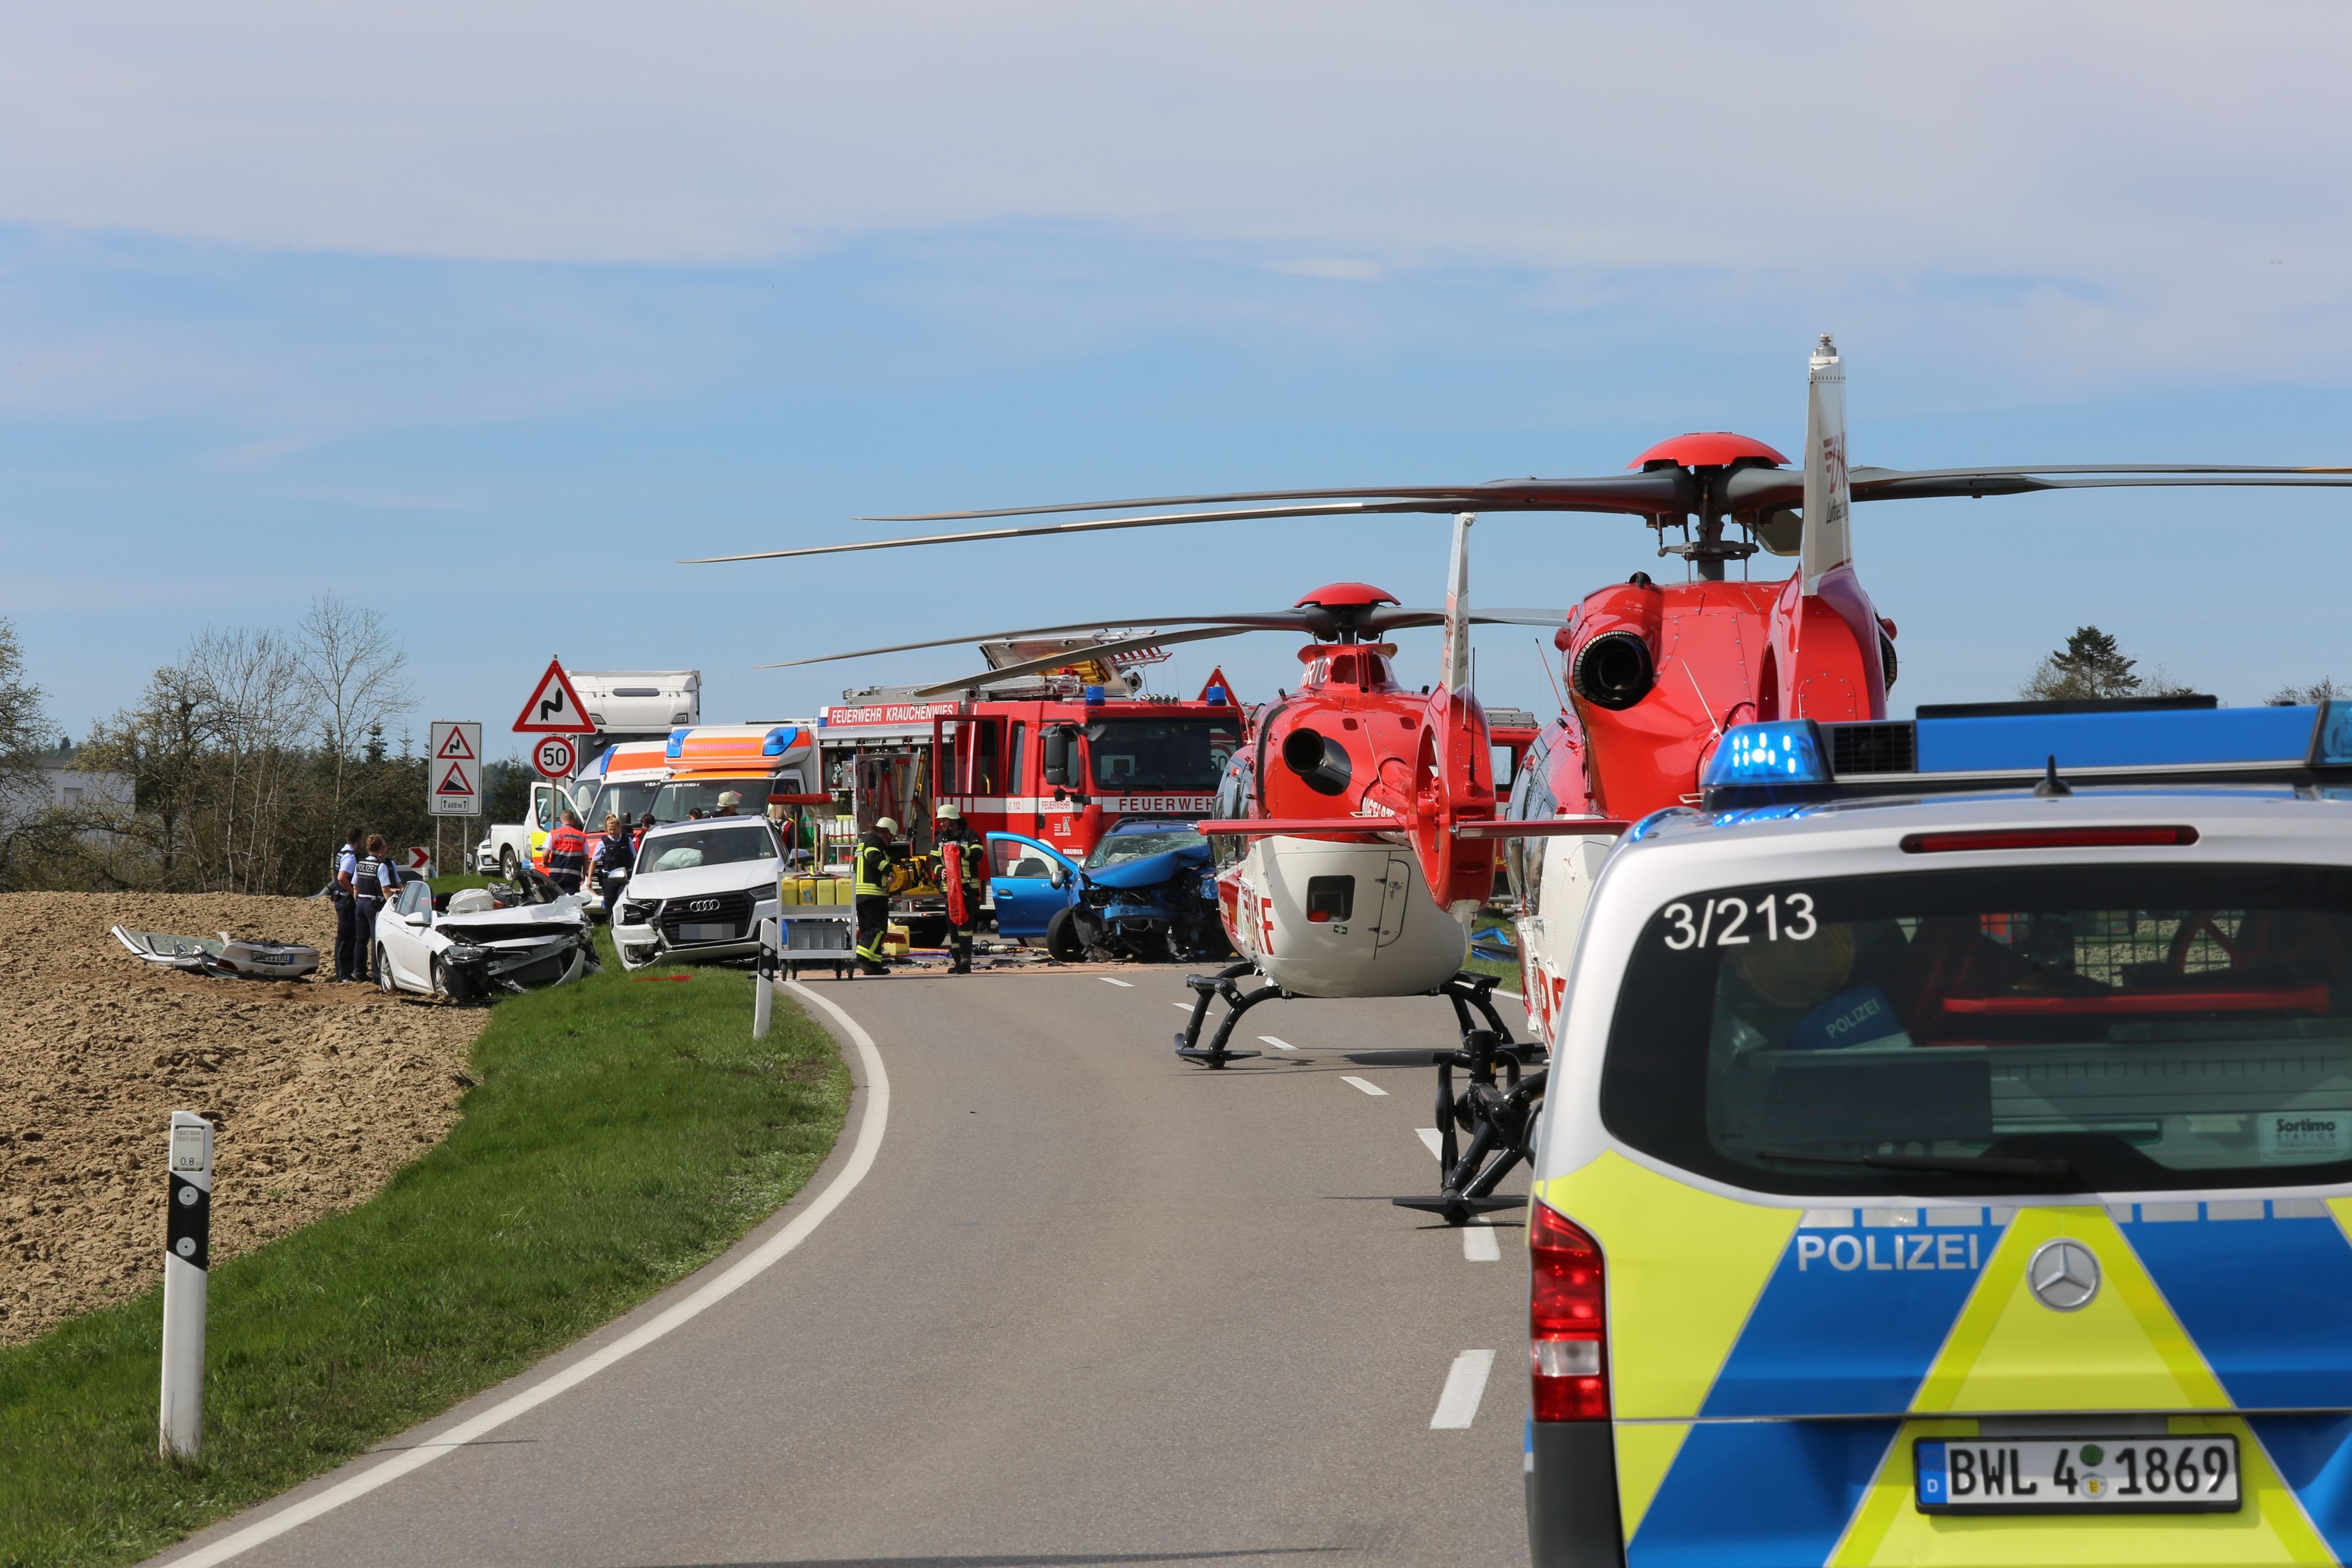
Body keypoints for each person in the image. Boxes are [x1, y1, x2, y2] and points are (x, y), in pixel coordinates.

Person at [933, 802, 987, 975]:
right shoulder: (940, 839)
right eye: (941, 821)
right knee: (953, 927)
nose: (941, 824)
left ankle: (965, 960)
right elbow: (933, 860)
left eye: (944, 820)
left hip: (967, 889)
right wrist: (940, 870)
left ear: (953, 821)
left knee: (965, 926)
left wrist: (962, 851)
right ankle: (958, 961)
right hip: (949, 891)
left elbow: (978, 854)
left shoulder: (970, 835)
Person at [853, 815, 904, 976]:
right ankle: (861, 955)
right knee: (878, 929)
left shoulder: (865, 842)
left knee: (868, 929)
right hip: (873, 894)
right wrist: (889, 871)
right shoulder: (874, 843)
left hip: (861, 894)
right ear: (887, 833)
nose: (891, 840)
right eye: (892, 837)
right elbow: (873, 858)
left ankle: (873, 965)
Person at [353, 834, 394, 984]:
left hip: (361, 903)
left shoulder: (360, 864)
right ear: (381, 849)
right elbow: (385, 889)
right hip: (374, 905)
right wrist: (391, 905)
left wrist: (357, 901)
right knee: (376, 939)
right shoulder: (381, 866)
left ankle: (359, 972)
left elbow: (356, 886)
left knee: (360, 940)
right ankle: (377, 976)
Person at [331, 827, 365, 982]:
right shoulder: (350, 857)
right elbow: (342, 877)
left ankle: (346, 972)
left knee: (349, 936)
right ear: (359, 840)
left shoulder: (342, 852)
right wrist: (353, 893)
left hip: (341, 899)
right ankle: (342, 974)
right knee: (345, 938)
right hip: (345, 900)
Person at [592, 812, 635, 910]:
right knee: (610, 905)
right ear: (606, 829)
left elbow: (634, 857)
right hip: (609, 880)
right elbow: (594, 861)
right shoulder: (603, 843)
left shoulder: (627, 840)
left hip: (625, 878)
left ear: (620, 828)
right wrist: (589, 879)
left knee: (624, 903)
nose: (612, 832)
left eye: (615, 829)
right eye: (610, 830)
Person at [544, 808, 590, 895]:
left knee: (555, 900)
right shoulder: (582, 836)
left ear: (561, 820)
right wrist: (583, 875)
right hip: (573, 876)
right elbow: (586, 860)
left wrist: (545, 863)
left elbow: (546, 854)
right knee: (571, 901)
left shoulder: (553, 834)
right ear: (574, 821)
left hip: (556, 875)